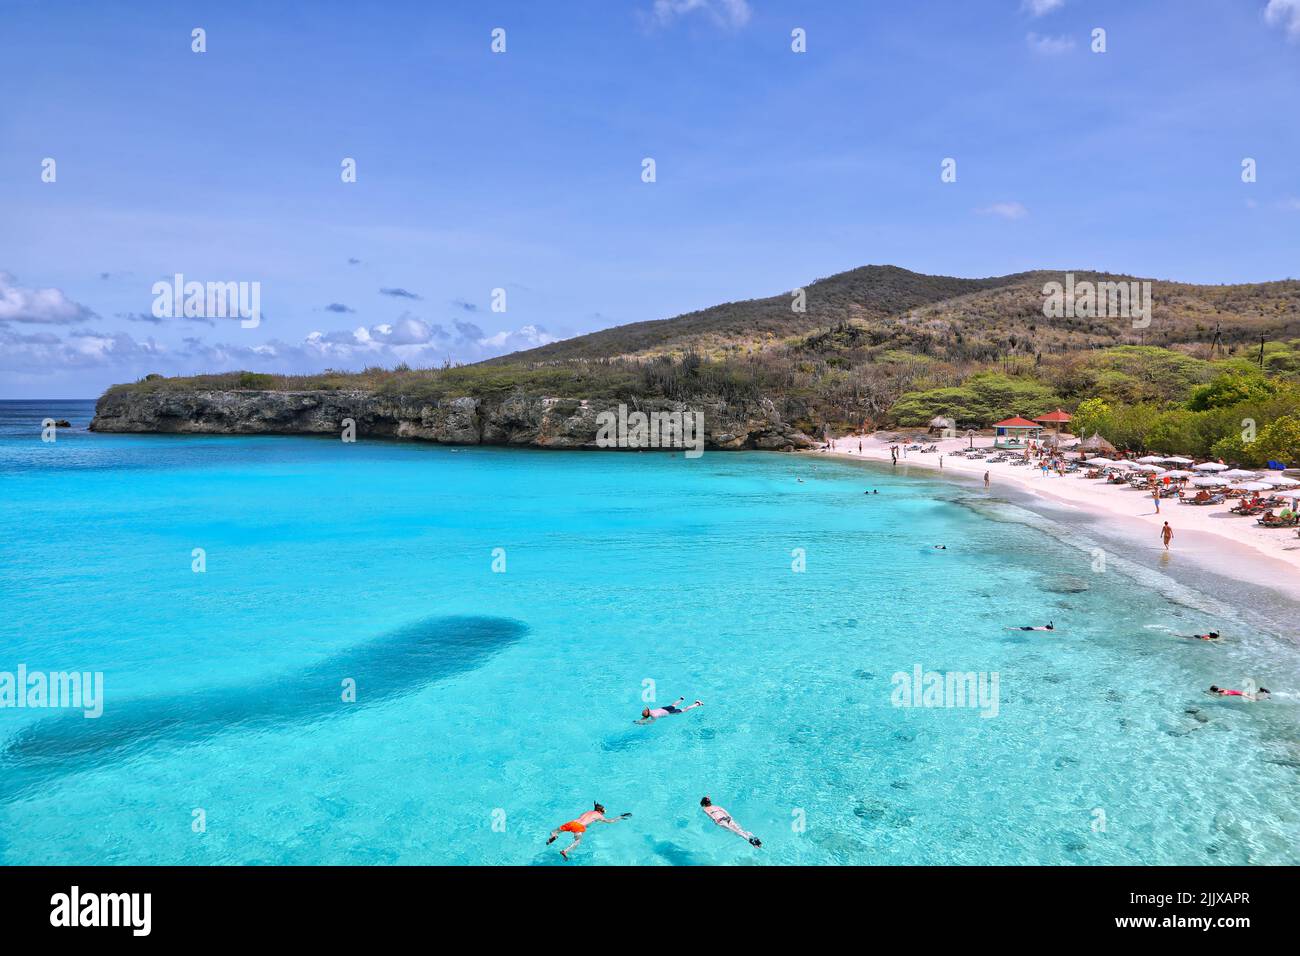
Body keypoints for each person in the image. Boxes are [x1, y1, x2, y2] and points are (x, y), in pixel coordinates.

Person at [546, 802, 631, 859]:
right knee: (577, 841)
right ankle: (565, 851)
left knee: (554, 831)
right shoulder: (599, 815)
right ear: (600, 810)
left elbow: (584, 818)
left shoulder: (588, 812)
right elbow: (610, 821)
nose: (604, 810)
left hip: (572, 822)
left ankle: (554, 837)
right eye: (603, 809)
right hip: (579, 827)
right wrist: (620, 817)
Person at [636, 697, 703, 724]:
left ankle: (697, 704)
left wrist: (642, 722)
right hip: (664, 708)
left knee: (684, 710)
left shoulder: (653, 715)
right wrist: (640, 721)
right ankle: (681, 699)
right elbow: (646, 716)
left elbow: (651, 721)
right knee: (673, 705)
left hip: (667, 712)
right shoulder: (651, 711)